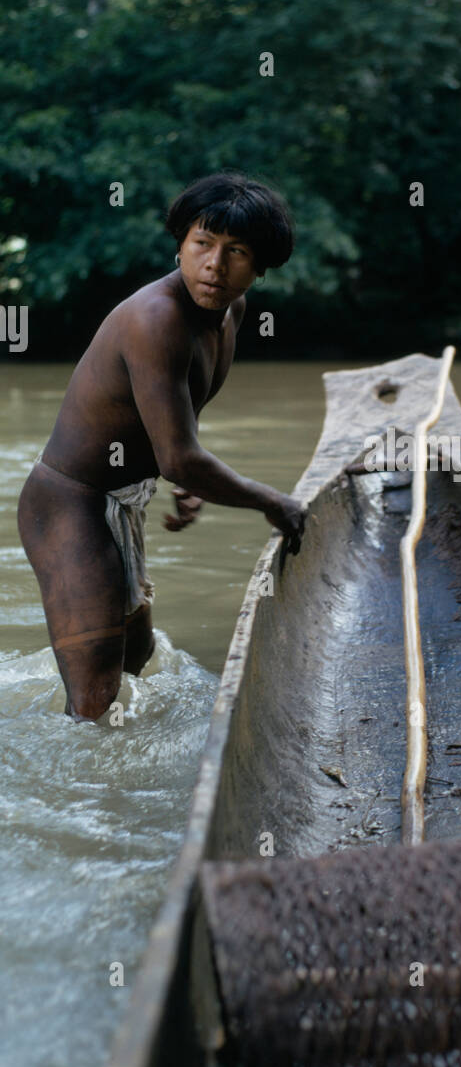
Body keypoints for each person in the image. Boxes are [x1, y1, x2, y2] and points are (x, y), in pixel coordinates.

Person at [17, 171, 305, 723]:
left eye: (236, 251)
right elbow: (179, 454)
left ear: (261, 267)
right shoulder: (156, 320)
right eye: (202, 244)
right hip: (69, 505)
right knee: (95, 703)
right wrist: (274, 502)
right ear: (180, 245)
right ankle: (88, 802)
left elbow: (175, 421)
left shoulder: (230, 312)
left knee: (137, 660)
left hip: (123, 497)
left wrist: (184, 477)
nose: (215, 265)